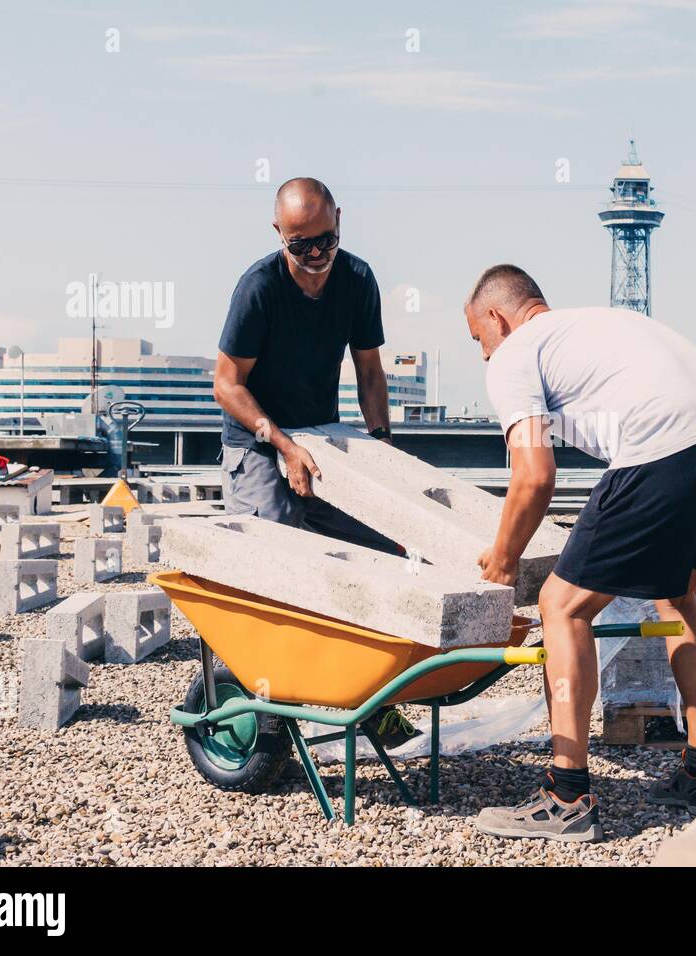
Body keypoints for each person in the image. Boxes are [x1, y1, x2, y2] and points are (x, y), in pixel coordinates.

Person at [464, 264, 696, 842]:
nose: (483, 356)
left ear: (497, 318)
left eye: (478, 340)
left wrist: (504, 559)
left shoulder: (515, 352)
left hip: (670, 447)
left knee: (562, 605)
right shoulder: (602, 324)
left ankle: (566, 795)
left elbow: (534, 477)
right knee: (678, 598)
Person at [212, 176, 416, 748]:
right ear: (279, 234)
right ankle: (273, 701)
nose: (316, 256)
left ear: (339, 222)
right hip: (254, 437)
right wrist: (281, 444)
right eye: (300, 245)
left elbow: (370, 371)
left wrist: (381, 447)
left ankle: (372, 701)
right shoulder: (258, 288)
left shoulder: (357, 278)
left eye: (325, 240)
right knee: (279, 555)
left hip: (320, 433)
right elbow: (226, 385)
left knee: (375, 547)